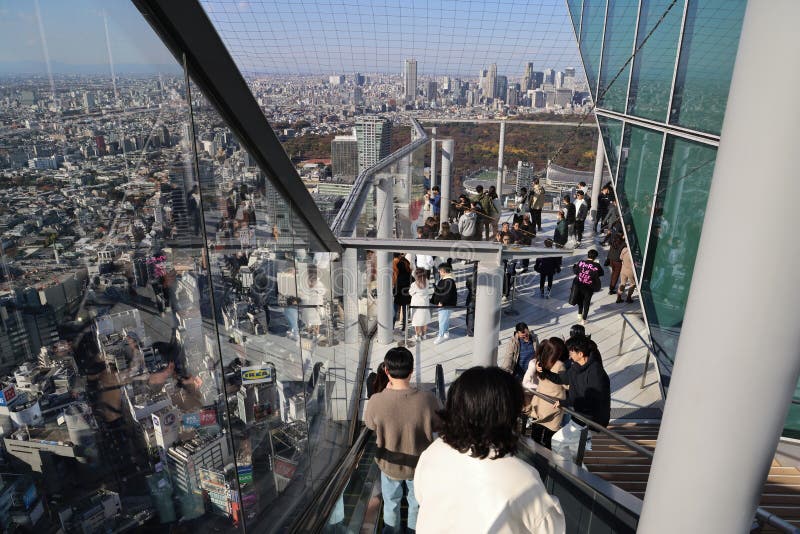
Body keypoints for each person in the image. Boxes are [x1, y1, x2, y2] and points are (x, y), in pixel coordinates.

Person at [413, 366, 565, 534]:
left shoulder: (434, 452)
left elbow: (421, 495)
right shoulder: (523, 479)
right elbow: (550, 528)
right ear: (508, 415)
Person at [365, 347, 441, 534]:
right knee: (416, 505)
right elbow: (439, 425)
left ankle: (392, 531)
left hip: (389, 465)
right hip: (419, 467)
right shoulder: (428, 399)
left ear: (386, 371)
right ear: (411, 370)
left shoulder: (376, 400)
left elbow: (370, 425)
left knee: (391, 504)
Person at [536, 336, 611, 429]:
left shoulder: (595, 372)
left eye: (571, 352)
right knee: (560, 440)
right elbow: (562, 379)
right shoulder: (576, 367)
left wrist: (565, 402)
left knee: (561, 441)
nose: (569, 356)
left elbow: (590, 401)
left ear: (580, 354)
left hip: (592, 420)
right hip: (580, 416)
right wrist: (544, 371)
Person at [523, 338, 568, 449]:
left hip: (540, 402)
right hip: (553, 405)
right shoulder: (560, 365)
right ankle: (545, 460)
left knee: (536, 434)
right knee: (549, 438)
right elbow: (566, 385)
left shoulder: (540, 361)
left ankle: (533, 455)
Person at [570, 249, 604, 325]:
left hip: (579, 285)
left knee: (580, 300)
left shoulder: (581, 262)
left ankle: (579, 314)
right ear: (595, 257)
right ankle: (584, 319)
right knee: (586, 302)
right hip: (589, 287)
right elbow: (601, 274)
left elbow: (575, 271)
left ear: (588, 255)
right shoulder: (596, 265)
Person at [431, 262, 457, 345]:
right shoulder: (446, 279)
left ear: (444, 271)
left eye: (440, 270)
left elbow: (447, 293)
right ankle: (446, 333)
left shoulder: (449, 280)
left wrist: (442, 302)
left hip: (445, 304)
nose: (439, 272)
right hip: (446, 304)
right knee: (445, 319)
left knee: (442, 320)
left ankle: (440, 336)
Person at [409, 268, 434, 341]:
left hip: (416, 304)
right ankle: (424, 334)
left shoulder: (414, 284)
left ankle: (418, 335)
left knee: (417, 321)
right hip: (425, 303)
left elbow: (410, 293)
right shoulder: (427, 281)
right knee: (424, 320)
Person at [392, 254, 412, 331]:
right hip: (406, 297)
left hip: (398, 297)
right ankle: (404, 328)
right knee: (405, 313)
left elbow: (396, 289)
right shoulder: (409, 276)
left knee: (394, 313)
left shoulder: (399, 276)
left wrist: (394, 292)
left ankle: (392, 327)